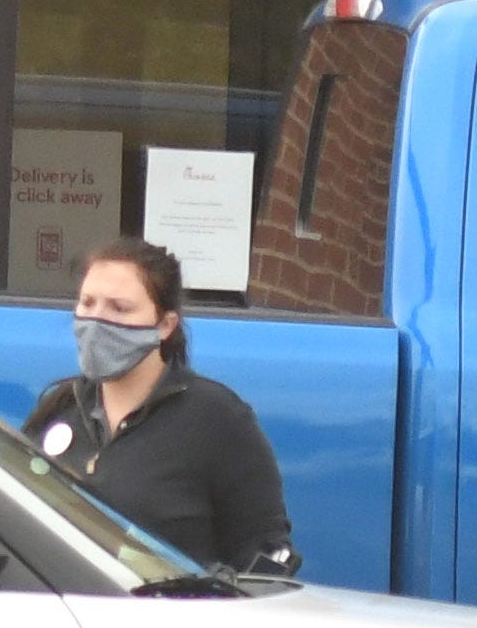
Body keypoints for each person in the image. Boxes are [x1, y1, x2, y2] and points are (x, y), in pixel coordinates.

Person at [22, 235, 296, 577]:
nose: (96, 321)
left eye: (119, 308)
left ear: (165, 325)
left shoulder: (216, 418)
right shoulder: (58, 411)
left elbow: (264, 554)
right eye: (87, 303)